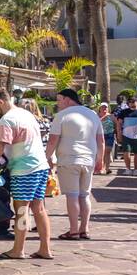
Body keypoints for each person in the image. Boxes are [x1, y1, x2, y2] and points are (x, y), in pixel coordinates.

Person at [0, 87, 53, 260]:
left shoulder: (7, 120)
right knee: (39, 208)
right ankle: (45, 248)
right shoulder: (26, 114)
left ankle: (18, 249)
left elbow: (0, 145)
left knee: (21, 209)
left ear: (0, 102)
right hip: (40, 165)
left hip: (24, 169)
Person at [47, 88, 104, 241]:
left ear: (68, 99)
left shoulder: (61, 116)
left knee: (72, 196)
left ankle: (73, 231)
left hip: (69, 160)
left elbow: (53, 140)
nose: (58, 104)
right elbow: (101, 140)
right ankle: (84, 229)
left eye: (59, 100)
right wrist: (100, 160)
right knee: (84, 195)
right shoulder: (92, 114)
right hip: (88, 160)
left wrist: (47, 157)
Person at [97, 102, 116, 175]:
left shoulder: (112, 116)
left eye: (106, 107)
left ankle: (107, 168)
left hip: (109, 135)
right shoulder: (96, 116)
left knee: (107, 151)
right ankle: (101, 167)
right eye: (102, 107)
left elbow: (116, 125)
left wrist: (117, 134)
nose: (104, 108)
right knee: (100, 152)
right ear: (99, 108)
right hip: (99, 136)